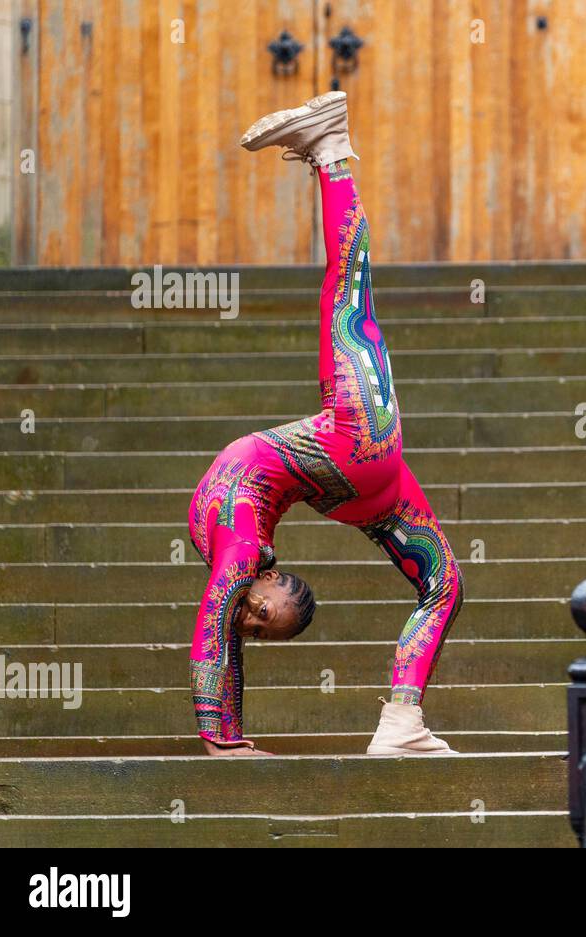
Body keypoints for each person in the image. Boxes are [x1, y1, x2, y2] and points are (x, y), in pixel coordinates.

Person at [188, 92, 462, 756]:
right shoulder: (243, 545)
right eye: (265, 621)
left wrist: (222, 735)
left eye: (254, 621)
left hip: (350, 456)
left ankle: (331, 150)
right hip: (352, 466)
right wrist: (227, 735)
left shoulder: (238, 548)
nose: (250, 618)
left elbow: (213, 625)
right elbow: (221, 625)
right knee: (445, 580)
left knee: (346, 291)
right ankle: (402, 722)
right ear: (278, 582)